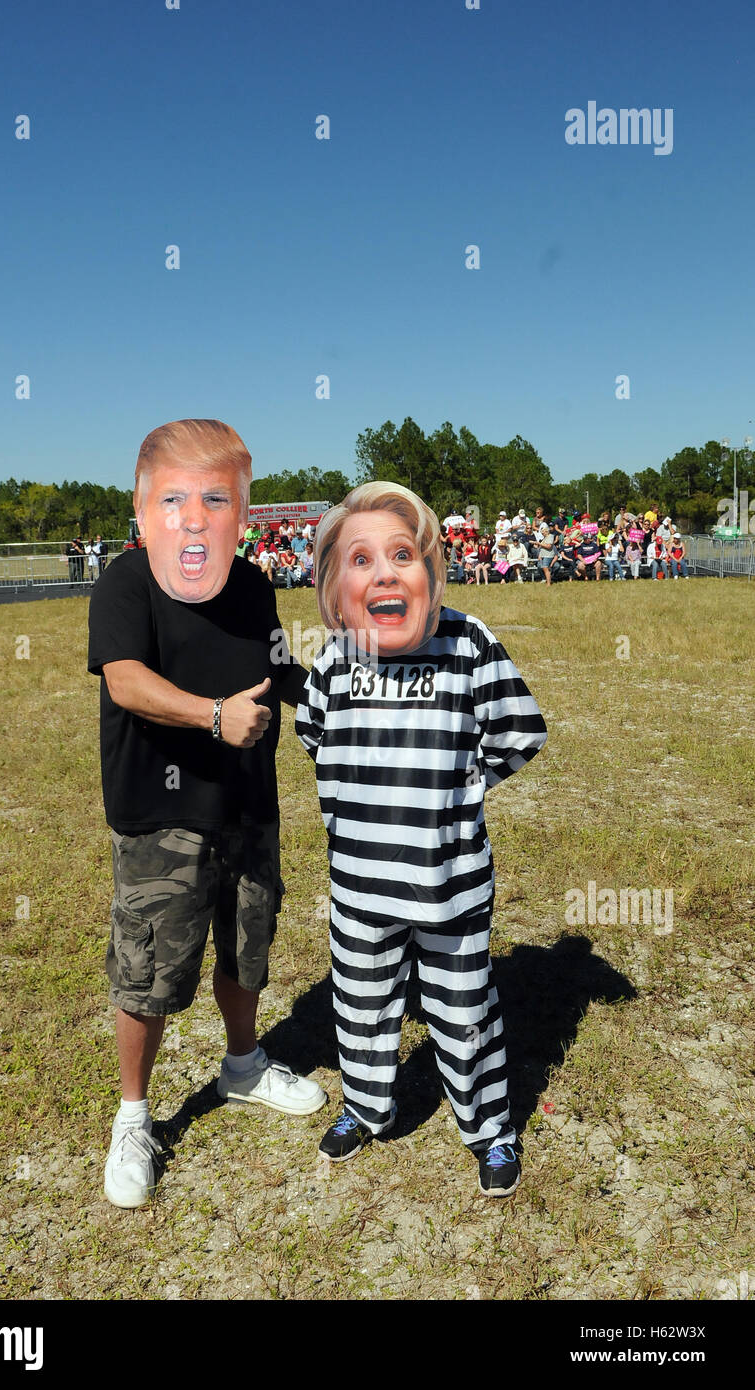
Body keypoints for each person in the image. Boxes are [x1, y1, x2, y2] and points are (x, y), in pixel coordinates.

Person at [88, 419, 326, 1210]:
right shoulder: (127, 581)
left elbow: (278, 669)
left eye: (216, 498)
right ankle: (132, 1116)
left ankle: (244, 1064)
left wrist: (336, 697)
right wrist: (210, 716)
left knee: (247, 948)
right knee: (148, 970)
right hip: (162, 814)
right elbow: (124, 678)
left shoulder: (252, 582)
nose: (195, 517)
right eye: (176, 497)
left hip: (249, 804)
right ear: (143, 503)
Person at [295, 482, 547, 1196]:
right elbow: (313, 733)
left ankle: (490, 1127)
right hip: (359, 888)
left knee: (463, 1011)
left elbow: (517, 735)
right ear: (333, 590)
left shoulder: (467, 644)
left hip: (450, 885)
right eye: (360, 559)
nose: (382, 572)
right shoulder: (333, 661)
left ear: (432, 573)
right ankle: (366, 1108)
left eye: (402, 555)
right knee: (361, 1004)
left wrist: (453, 793)